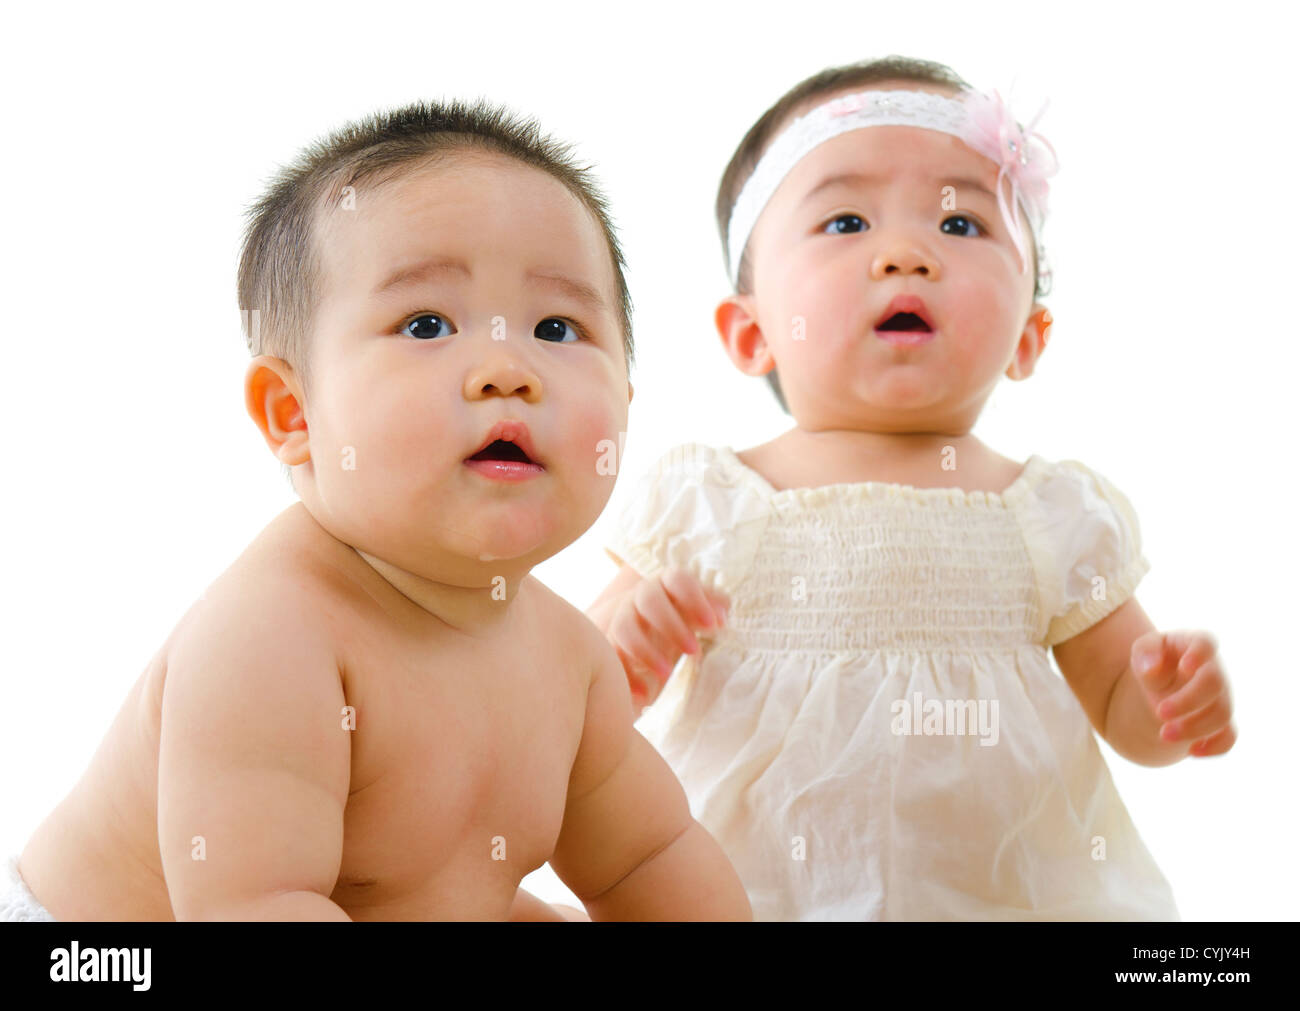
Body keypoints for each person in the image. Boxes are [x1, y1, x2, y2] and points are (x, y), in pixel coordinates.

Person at [3, 98, 751, 922]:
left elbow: (650, 856)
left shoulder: (569, 660)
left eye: (557, 325)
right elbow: (254, 905)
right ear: (294, 414)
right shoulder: (272, 636)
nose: (507, 367)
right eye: (427, 324)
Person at [586, 55, 1236, 920]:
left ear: (1028, 337)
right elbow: (573, 693)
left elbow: (1122, 704)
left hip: (1007, 899)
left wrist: (1170, 699)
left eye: (962, 225)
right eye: (847, 220)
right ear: (751, 333)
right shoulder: (713, 498)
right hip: (750, 895)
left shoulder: (1050, 516)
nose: (907, 253)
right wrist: (624, 647)